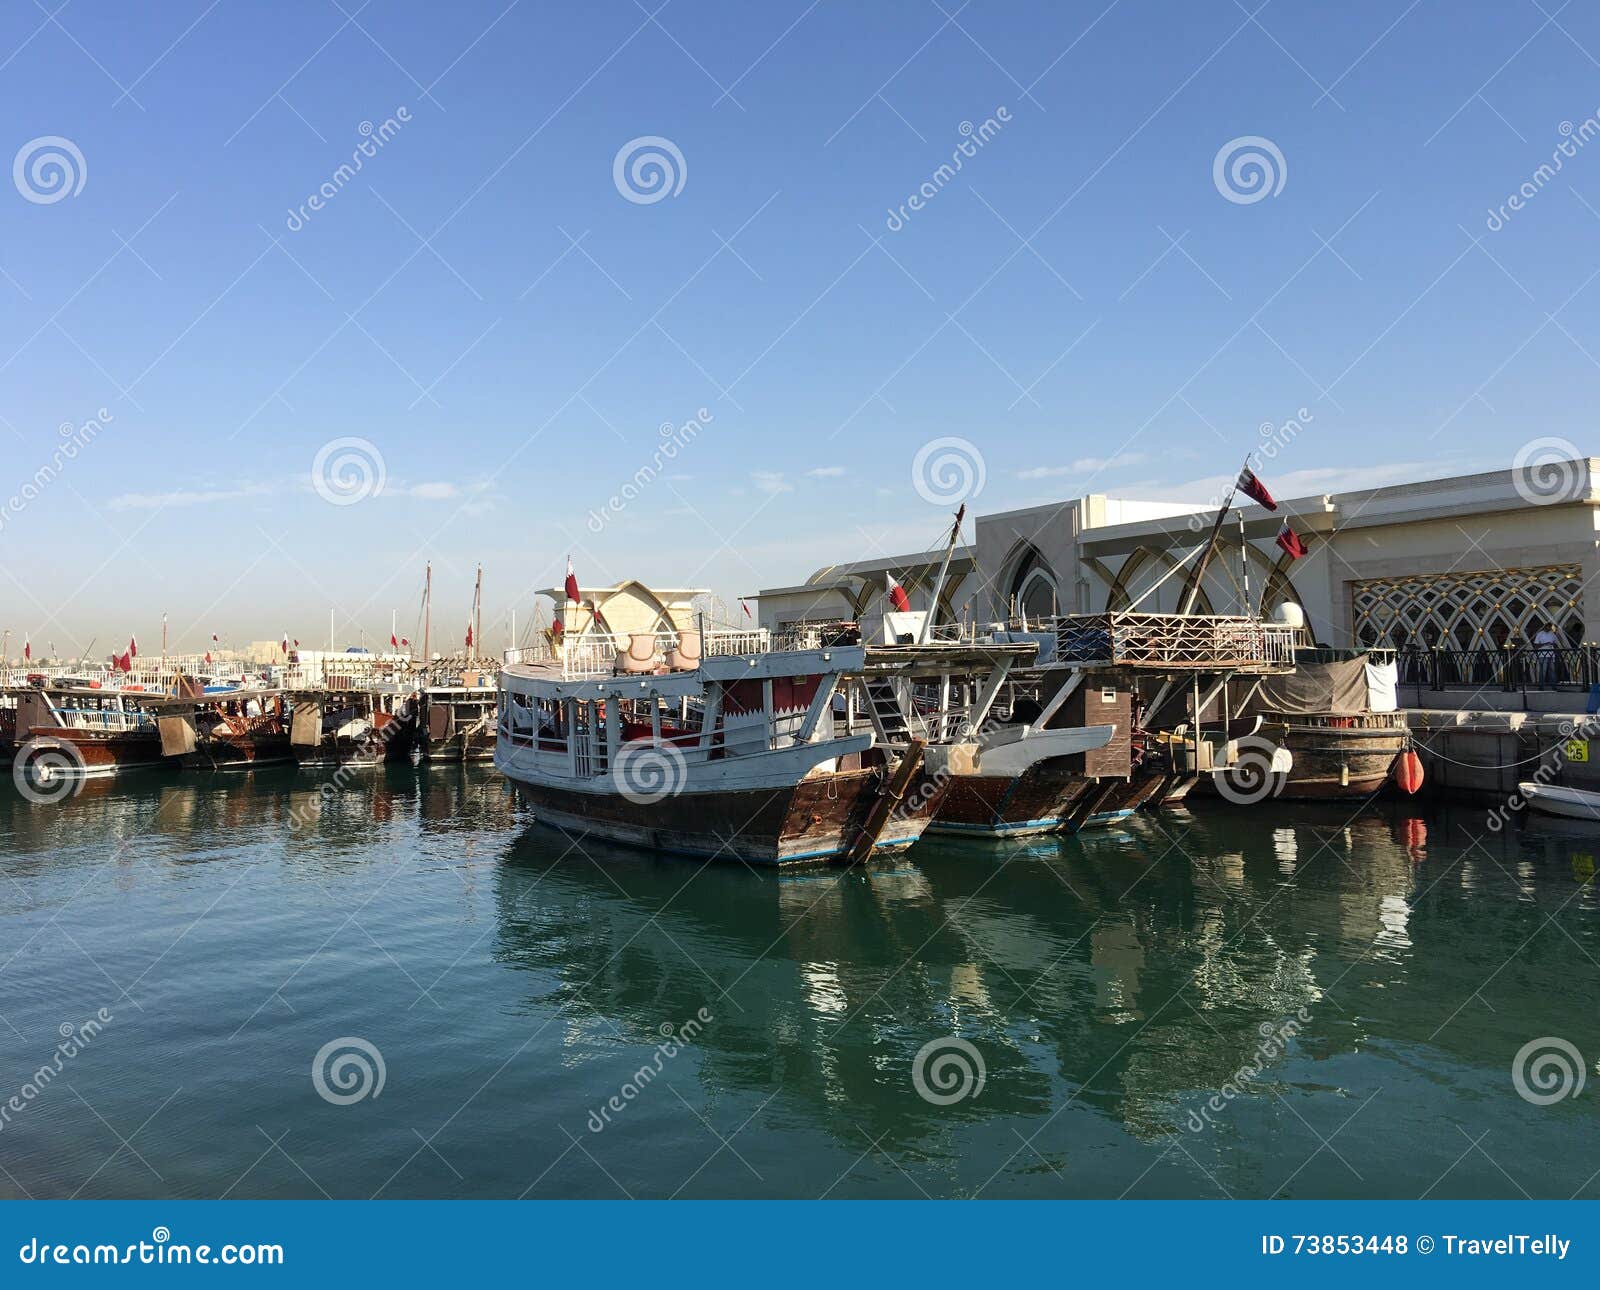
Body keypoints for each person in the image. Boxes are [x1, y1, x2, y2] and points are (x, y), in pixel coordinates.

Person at [1532, 621, 1562, 686]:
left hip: (1551, 654)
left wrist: (1554, 645)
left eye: (1550, 628)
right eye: (1548, 627)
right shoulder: (1540, 634)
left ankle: (1554, 685)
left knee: (1552, 670)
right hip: (1542, 655)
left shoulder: (1552, 634)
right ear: (1545, 627)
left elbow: (1556, 643)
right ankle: (1541, 685)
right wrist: (1545, 644)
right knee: (1543, 670)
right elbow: (1536, 646)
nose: (1549, 629)